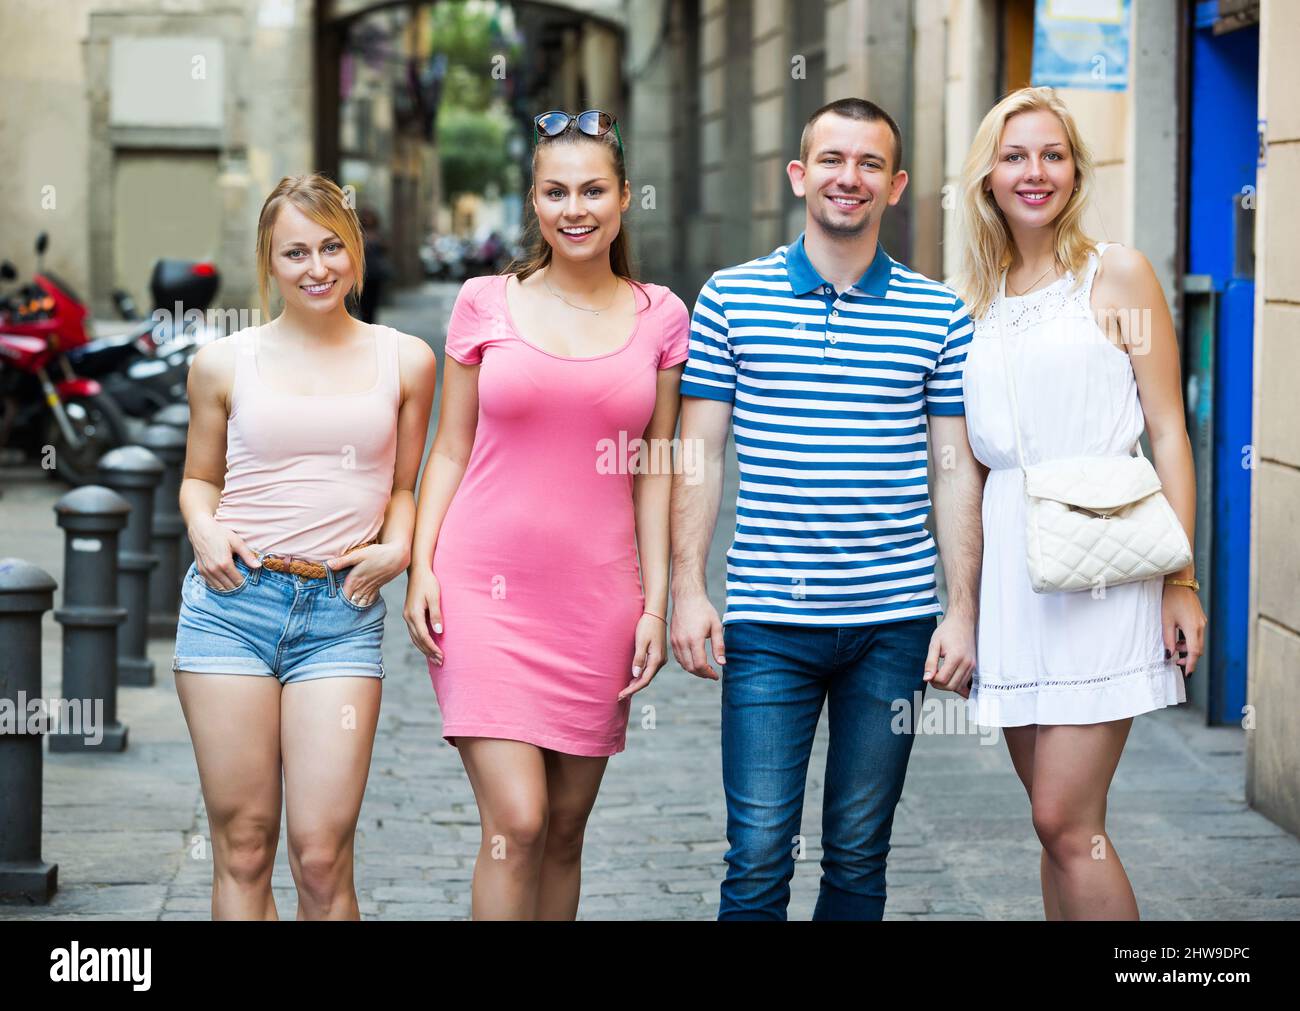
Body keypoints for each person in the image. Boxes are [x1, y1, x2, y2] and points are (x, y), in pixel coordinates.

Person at [671, 98, 983, 920]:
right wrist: (688, 589)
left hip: (895, 624)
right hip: (769, 621)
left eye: (870, 163)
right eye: (834, 160)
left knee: (857, 852)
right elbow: (698, 452)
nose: (851, 178)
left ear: (897, 184)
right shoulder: (730, 299)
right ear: (800, 175)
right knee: (760, 852)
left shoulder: (939, 312)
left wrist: (964, 610)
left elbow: (955, 469)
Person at [403, 110, 690, 920]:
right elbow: (448, 449)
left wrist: (656, 605)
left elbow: (656, 469)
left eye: (593, 189)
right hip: (484, 592)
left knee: (564, 831)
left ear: (625, 198)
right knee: (517, 821)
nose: (576, 208)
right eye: (556, 190)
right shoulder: (482, 302)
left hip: (597, 602)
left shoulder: (661, 316)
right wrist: (422, 566)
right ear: (532, 201)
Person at [954, 86, 1207, 920]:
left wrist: (1182, 578)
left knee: (1068, 818)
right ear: (988, 175)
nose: (1035, 172)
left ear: (1075, 170)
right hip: (1016, 580)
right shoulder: (978, 300)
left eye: (1052, 154)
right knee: (1053, 826)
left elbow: (1168, 431)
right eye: (1016, 155)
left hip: (1103, 566)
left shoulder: (1116, 273)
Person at [174, 173, 437, 919]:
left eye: (331, 247)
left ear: (354, 252)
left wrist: (399, 547)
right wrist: (204, 526)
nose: (316, 267)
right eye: (295, 253)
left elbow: (406, 485)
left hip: (339, 614)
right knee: (246, 844)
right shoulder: (224, 363)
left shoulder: (406, 359)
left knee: (321, 854)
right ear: (269, 263)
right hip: (232, 607)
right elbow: (198, 480)